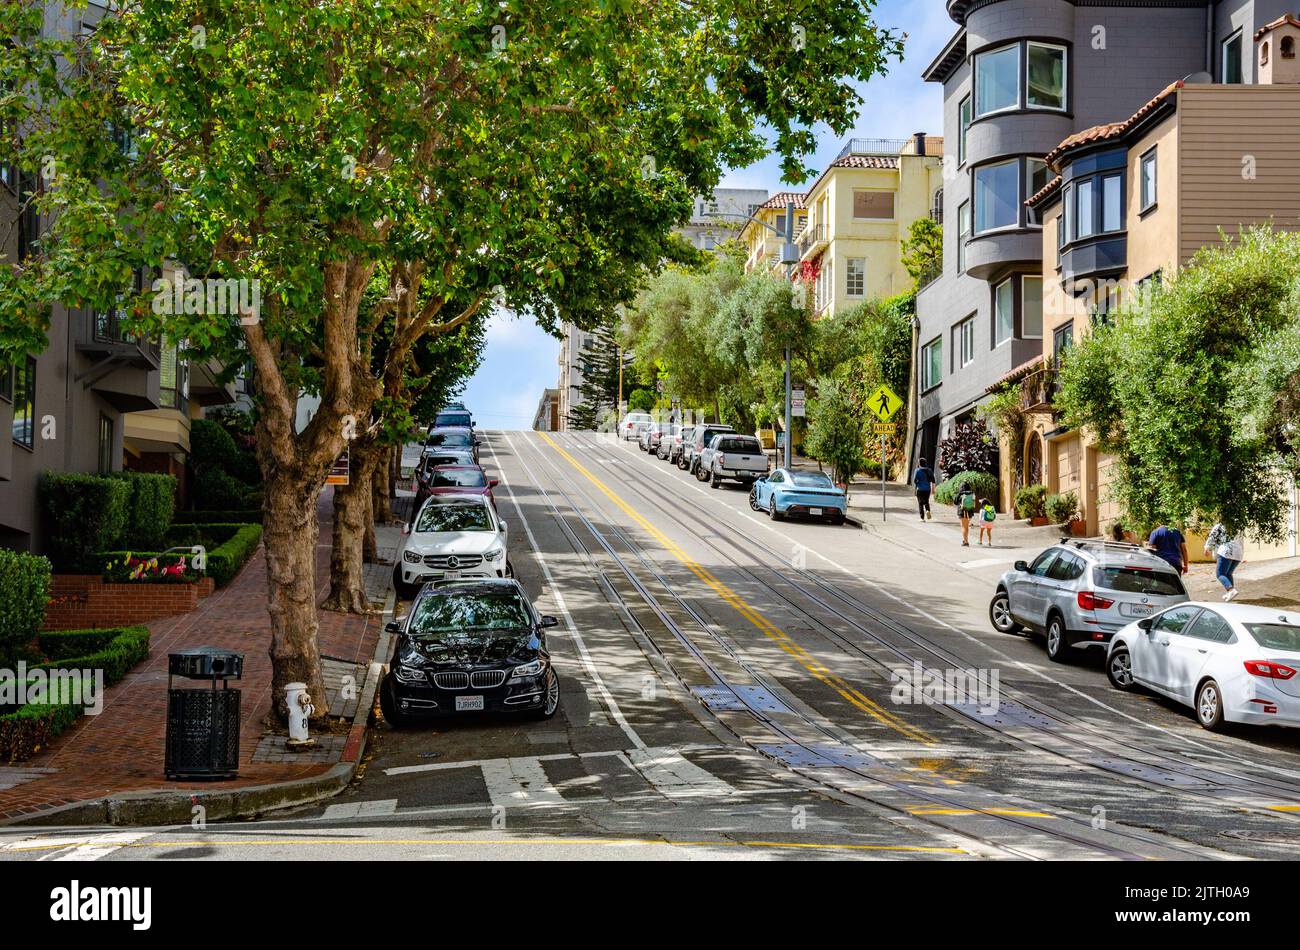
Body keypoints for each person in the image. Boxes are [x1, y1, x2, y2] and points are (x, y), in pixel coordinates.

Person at [1204, 522, 1245, 601]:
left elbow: (1212, 536)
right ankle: (1230, 592)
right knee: (1228, 573)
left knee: (1220, 574)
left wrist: (1207, 548)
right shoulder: (1238, 525)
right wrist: (1241, 553)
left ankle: (1231, 590)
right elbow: (1241, 541)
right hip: (1238, 552)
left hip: (1226, 551)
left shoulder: (1220, 525)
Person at [956, 482, 977, 546]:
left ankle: (966, 541)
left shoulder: (960, 493)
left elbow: (955, 502)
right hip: (970, 511)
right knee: (966, 527)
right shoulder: (972, 493)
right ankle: (965, 539)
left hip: (962, 512)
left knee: (963, 527)